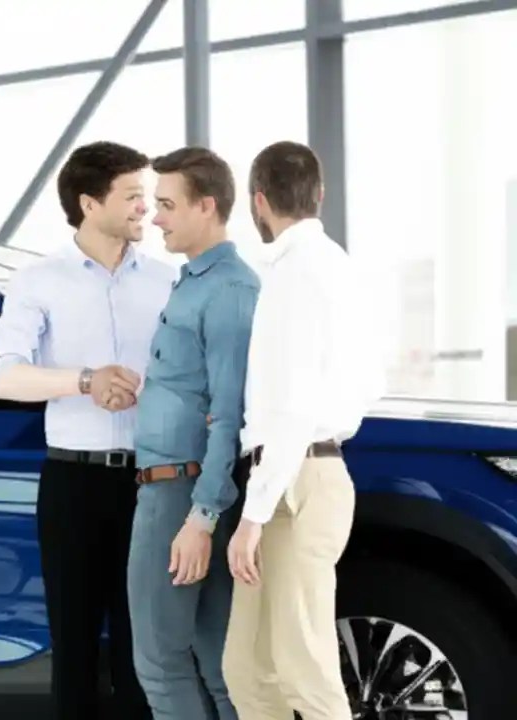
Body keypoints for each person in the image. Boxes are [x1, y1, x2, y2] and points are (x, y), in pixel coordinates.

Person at [0, 140, 175, 719]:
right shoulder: (39, 282)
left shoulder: (167, 281)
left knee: (146, 649)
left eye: (146, 196)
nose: (147, 208)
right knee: (73, 647)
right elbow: (2, 376)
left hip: (153, 483)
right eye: (133, 196)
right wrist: (85, 381)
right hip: (74, 484)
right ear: (90, 204)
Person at [222, 140, 386, 719]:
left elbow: (291, 407)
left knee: (301, 663)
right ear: (319, 194)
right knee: (247, 666)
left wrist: (253, 516)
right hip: (308, 471)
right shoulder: (341, 269)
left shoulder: (295, 276)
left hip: (295, 481)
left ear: (258, 202)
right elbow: (369, 381)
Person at [126, 147, 258, 719]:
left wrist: (200, 520)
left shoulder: (227, 289)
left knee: (160, 663)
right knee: (218, 664)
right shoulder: (196, 281)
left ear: (207, 206)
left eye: (167, 205)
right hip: (180, 486)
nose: (156, 218)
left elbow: (230, 411)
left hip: (181, 494)